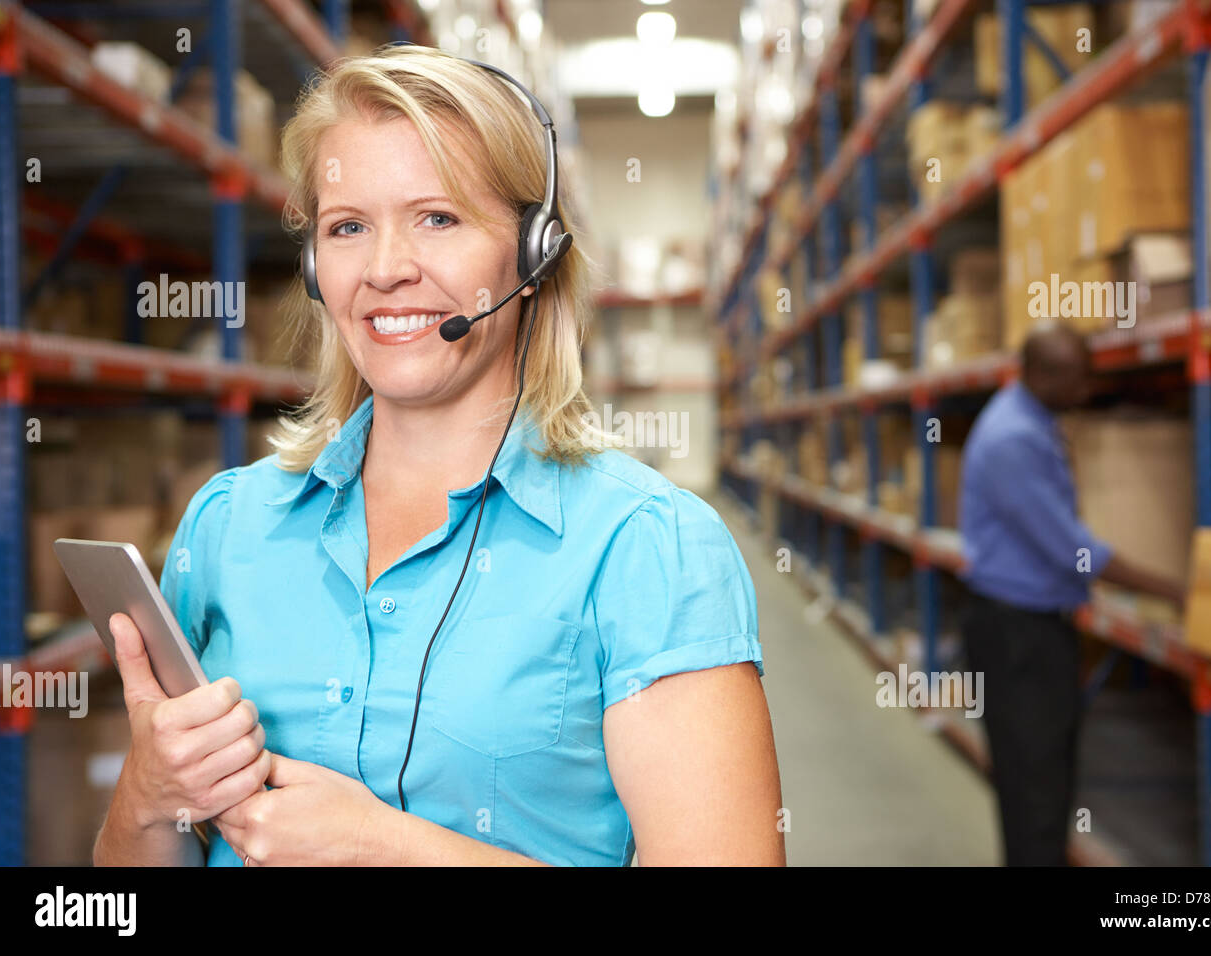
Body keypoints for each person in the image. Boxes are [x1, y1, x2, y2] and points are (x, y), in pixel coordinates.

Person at [92, 45, 783, 867]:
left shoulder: (648, 549)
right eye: (348, 228)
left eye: (439, 218)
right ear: (315, 266)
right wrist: (146, 794)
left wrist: (389, 847)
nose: (386, 271)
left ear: (532, 255)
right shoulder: (228, 526)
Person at [957, 319, 1183, 866]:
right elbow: (1071, 548)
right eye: (1076, 379)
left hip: (1030, 626)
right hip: (1018, 637)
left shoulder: (1030, 421)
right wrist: (1172, 589)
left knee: (1042, 777)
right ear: (1037, 374)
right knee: (1034, 785)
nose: (1086, 392)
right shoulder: (1014, 438)